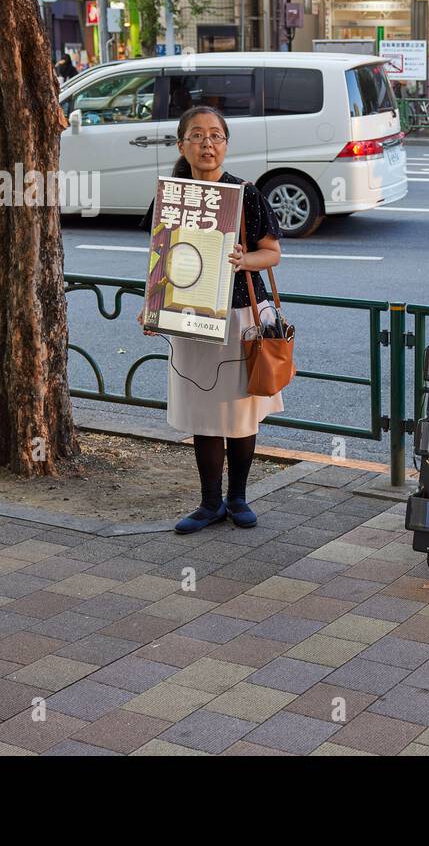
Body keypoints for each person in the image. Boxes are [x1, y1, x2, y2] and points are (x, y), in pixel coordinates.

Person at [136, 106, 286, 535]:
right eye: (197, 135)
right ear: (182, 144)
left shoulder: (245, 194)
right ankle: (208, 503)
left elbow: (271, 253)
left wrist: (244, 260)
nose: (207, 143)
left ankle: (238, 498)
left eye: (216, 135)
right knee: (203, 413)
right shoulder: (172, 194)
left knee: (238, 413)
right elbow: (160, 259)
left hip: (239, 317)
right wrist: (151, 306)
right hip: (188, 316)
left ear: (226, 144)